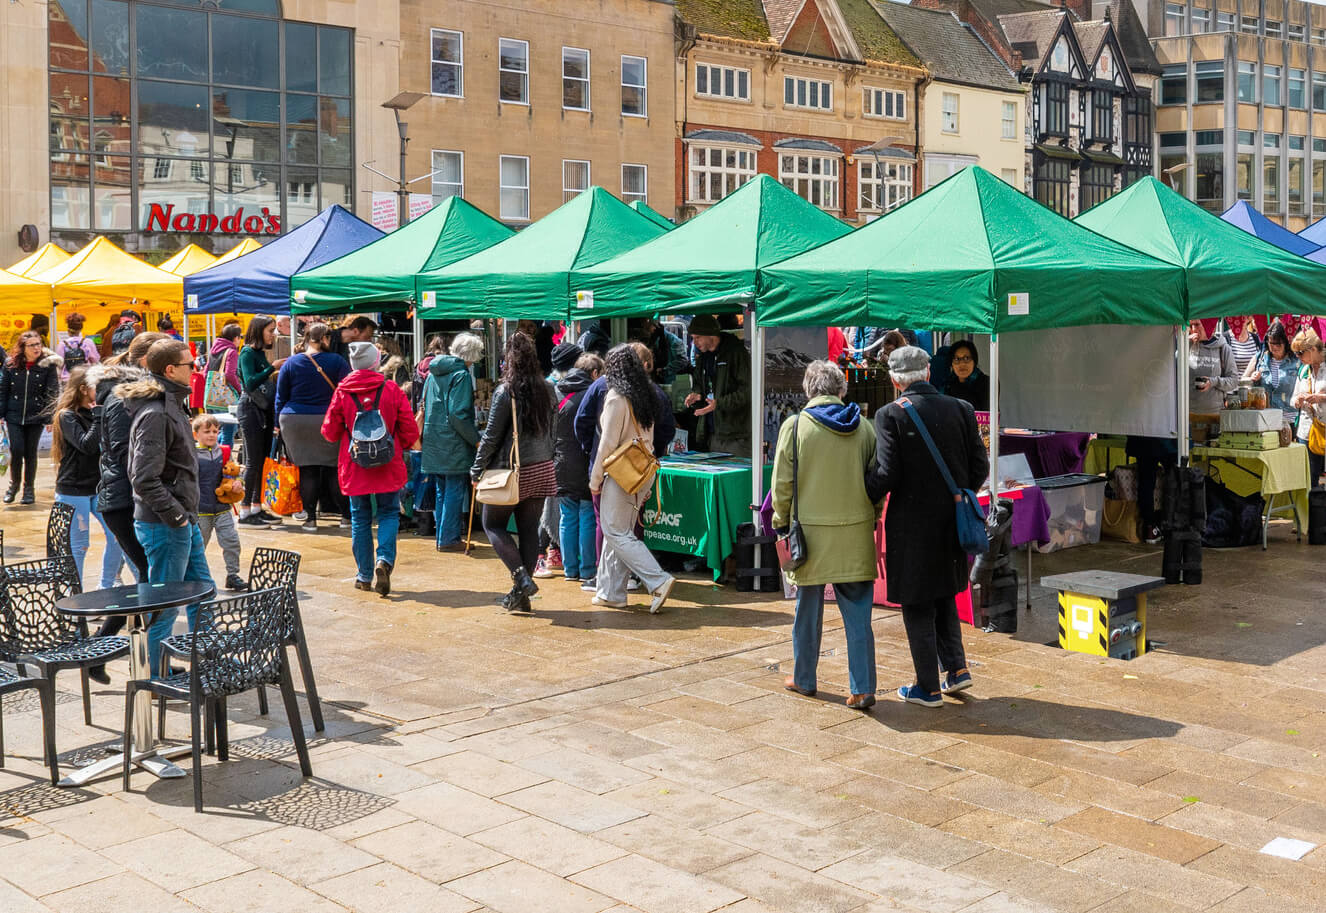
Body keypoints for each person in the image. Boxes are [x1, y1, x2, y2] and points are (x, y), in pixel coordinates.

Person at [865, 346, 988, 708]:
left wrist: (864, 491)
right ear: (929, 373)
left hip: (912, 524)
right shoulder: (961, 409)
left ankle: (927, 687)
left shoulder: (890, 414)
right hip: (953, 520)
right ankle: (957, 669)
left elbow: (887, 474)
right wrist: (958, 494)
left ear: (894, 380)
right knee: (945, 591)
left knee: (917, 601)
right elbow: (980, 467)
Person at [772, 360, 879, 710]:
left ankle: (804, 678)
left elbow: (782, 485)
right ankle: (863, 687)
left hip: (809, 536)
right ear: (841, 389)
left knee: (807, 610)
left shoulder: (795, 426)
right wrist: (873, 517)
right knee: (859, 614)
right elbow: (876, 482)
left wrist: (780, 522)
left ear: (808, 389)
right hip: (855, 533)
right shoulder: (865, 429)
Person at [123, 338, 215, 673]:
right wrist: (176, 516)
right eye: (191, 364)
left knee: (203, 592)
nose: (196, 368)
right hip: (165, 523)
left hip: (182, 519)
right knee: (166, 604)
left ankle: (207, 660)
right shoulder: (156, 412)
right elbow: (143, 477)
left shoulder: (172, 404)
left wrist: (184, 517)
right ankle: (153, 674)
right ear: (171, 370)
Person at [83, 335, 163, 684]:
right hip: (123, 499)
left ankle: (112, 651)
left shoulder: (137, 392)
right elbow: (121, 451)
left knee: (150, 577)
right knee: (151, 578)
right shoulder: (121, 397)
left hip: (131, 497)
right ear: (146, 361)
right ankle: (132, 656)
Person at [321, 342, 419, 596]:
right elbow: (409, 429)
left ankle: (364, 575)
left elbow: (329, 432)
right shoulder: (391, 388)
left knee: (360, 518)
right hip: (387, 461)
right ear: (376, 362)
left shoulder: (342, 391)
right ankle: (383, 560)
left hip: (355, 464)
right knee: (388, 513)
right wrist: (405, 443)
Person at [470, 332, 557, 615]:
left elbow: (491, 437)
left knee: (492, 525)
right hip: (542, 467)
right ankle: (522, 594)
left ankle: (521, 579)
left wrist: (476, 469)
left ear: (508, 359)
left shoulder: (505, 391)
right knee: (529, 529)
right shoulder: (548, 388)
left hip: (512, 470)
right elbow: (554, 431)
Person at [589, 345, 676, 612]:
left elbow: (607, 444)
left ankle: (658, 580)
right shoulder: (646, 394)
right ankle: (611, 592)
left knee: (615, 531)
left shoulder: (616, 397)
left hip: (622, 473)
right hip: (643, 471)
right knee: (620, 531)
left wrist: (594, 479)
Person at [51, 367, 127, 592]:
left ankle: (106, 586)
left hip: (97, 485)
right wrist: (99, 416)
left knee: (117, 536)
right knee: (79, 545)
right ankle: (75, 594)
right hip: (73, 489)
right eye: (98, 386)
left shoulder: (99, 412)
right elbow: (87, 445)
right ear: (84, 389)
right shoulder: (67, 415)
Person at [275, 322, 351, 532]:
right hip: (327, 419)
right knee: (333, 469)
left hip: (294, 420)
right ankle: (346, 517)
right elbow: (347, 391)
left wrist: (276, 425)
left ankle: (310, 519)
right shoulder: (337, 361)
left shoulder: (291, 362)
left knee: (307, 470)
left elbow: (281, 397)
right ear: (325, 338)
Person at [419, 332, 483, 551]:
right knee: (455, 489)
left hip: (434, 439)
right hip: (453, 441)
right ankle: (449, 539)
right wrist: (476, 440)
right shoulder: (461, 375)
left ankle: (442, 536)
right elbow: (458, 414)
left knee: (442, 489)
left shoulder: (433, 373)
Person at [554, 353, 602, 583]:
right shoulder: (592, 394)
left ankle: (569, 569)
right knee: (587, 515)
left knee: (567, 516)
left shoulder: (556, 391)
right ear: (594, 373)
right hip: (584, 462)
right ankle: (587, 570)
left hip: (560, 462)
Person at [0, 330, 62, 504]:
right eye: (32, 345)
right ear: (23, 347)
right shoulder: (10, 364)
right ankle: (14, 486)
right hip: (14, 414)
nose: (37, 348)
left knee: (30, 453)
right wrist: (1, 413)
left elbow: (52, 392)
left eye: (38, 344)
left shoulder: (47, 365)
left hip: (36, 415)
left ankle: (29, 490)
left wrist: (49, 417)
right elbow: (3, 389)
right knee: (17, 449)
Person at [237, 316, 286, 526]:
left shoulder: (257, 353)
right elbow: (249, 382)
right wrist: (272, 367)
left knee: (262, 460)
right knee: (253, 462)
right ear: (258, 331)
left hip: (262, 410)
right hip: (251, 410)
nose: (273, 334)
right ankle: (245, 510)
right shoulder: (247, 353)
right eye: (270, 330)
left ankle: (257, 507)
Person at [193, 415, 247, 591]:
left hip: (223, 507)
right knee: (198, 547)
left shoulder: (223, 452)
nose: (211, 435)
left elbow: (233, 472)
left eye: (215, 431)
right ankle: (194, 578)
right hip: (201, 510)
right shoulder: (191, 455)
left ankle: (233, 574)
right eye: (207, 431)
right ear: (196, 434)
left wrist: (238, 482)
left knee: (231, 541)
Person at [685, 314, 751, 455]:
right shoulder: (703, 358)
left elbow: (748, 391)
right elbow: (699, 385)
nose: (694, 342)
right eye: (693, 338)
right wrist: (697, 396)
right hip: (712, 434)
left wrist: (719, 403)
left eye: (698, 337)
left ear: (711, 334)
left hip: (736, 435)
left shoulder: (736, 352)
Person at [1245, 321, 1299, 424]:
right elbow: (1243, 382)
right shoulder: (1260, 358)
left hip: (1290, 419)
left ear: (1286, 342)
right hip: (1265, 418)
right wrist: (1252, 379)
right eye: (1271, 343)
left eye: (1278, 344)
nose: (1274, 347)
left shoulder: (1297, 361)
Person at [1291, 329, 1326, 485]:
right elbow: (1293, 399)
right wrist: (1298, 400)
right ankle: (1311, 501)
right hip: (1307, 431)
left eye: (1300, 353)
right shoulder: (1304, 370)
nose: (1297, 357)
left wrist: (1321, 398)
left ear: (1312, 349)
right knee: (1308, 479)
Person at [205, 324, 244, 446]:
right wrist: (239, 389)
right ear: (236, 338)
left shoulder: (213, 351)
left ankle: (215, 453)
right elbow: (230, 375)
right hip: (226, 397)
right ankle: (224, 456)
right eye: (240, 337)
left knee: (217, 430)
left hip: (211, 396)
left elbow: (205, 373)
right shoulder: (231, 352)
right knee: (229, 430)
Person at [1189, 319, 1239, 414]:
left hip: (1214, 413)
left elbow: (1234, 381)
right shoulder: (1185, 345)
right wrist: (1186, 345)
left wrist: (1213, 382)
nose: (1193, 329)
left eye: (1197, 325)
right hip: (1186, 413)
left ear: (1209, 325)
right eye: (1190, 325)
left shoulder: (1222, 347)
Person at [942, 340, 990, 411]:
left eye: (966, 358)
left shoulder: (987, 383)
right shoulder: (947, 384)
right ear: (951, 364)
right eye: (957, 359)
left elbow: (988, 413)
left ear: (974, 361)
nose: (962, 364)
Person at [639, 318, 687, 386]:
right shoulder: (649, 340)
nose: (644, 329)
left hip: (668, 381)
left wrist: (665, 370)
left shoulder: (674, 341)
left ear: (655, 326)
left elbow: (682, 360)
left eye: (647, 326)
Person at [58, 312, 100, 380]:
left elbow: (59, 364)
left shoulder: (62, 344)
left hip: (68, 379)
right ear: (81, 329)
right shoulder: (88, 342)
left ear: (68, 329)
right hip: (85, 377)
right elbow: (96, 360)